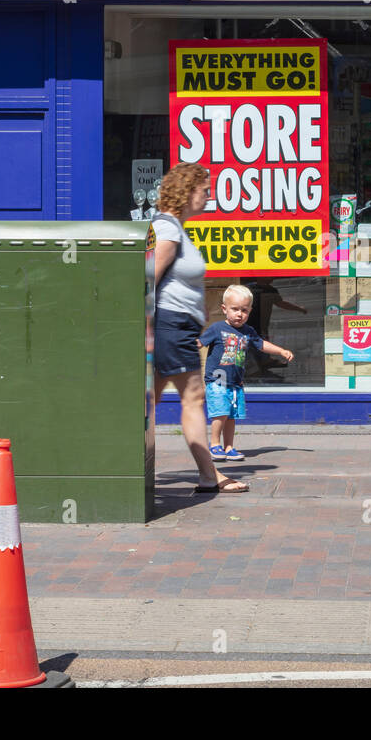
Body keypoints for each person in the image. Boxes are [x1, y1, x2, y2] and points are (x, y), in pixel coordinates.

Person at [146, 163, 248, 494]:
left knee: (147, 402)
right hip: (170, 326)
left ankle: (116, 466)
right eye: (205, 190)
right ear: (187, 191)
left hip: (175, 326)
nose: (208, 196)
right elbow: (146, 281)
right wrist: (148, 330)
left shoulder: (174, 228)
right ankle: (208, 474)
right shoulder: (168, 229)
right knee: (192, 398)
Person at [200, 284, 294, 459]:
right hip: (217, 380)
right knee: (220, 413)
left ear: (250, 311)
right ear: (224, 309)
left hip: (235, 382)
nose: (239, 314)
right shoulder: (217, 328)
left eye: (244, 310)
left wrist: (280, 351)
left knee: (231, 416)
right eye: (235, 309)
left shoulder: (248, 331)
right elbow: (199, 343)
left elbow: (261, 344)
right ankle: (214, 445)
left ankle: (229, 447)